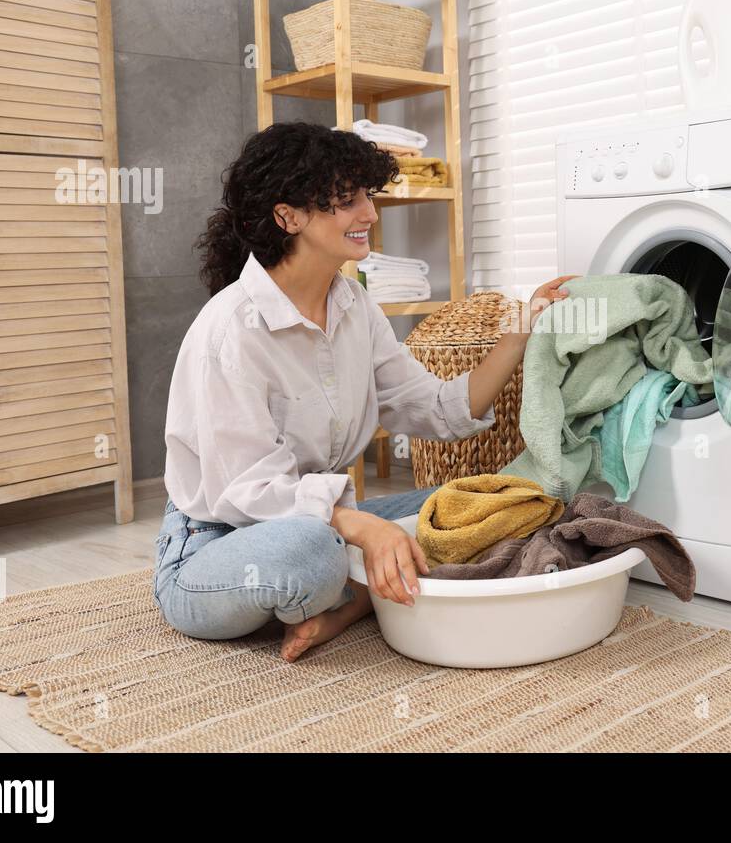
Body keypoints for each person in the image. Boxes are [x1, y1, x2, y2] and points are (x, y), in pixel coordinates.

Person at [155, 122, 573, 661]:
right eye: (347, 201)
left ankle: (350, 602)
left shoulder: (354, 306)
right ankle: (358, 588)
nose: (369, 214)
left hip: (324, 521)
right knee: (312, 551)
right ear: (289, 216)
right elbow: (249, 491)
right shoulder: (231, 331)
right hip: (217, 546)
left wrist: (521, 329)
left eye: (367, 197)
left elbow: (438, 409)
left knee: (490, 502)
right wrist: (364, 531)